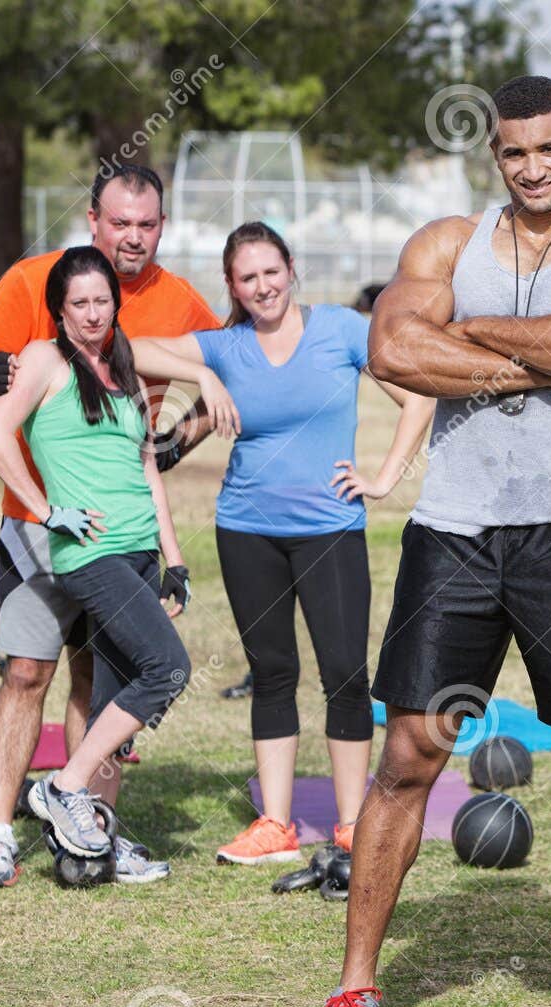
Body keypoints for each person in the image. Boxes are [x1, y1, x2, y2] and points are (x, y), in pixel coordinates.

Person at [299, 76, 551, 1007]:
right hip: (455, 529)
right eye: (513, 153)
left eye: (547, 149)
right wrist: (543, 359)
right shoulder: (442, 244)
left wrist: (463, 339)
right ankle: (353, 991)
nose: (531, 168)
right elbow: (391, 344)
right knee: (406, 761)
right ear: (495, 157)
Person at [0, 164, 231, 889]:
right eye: (120, 223)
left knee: (100, 684)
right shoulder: (44, 282)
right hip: (42, 527)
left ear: (160, 226)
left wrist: (177, 441)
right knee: (27, 670)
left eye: (147, 224)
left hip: (126, 528)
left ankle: (93, 830)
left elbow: (224, 373)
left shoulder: (175, 302)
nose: (133, 236)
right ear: (93, 221)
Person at [132, 222, 433, 867]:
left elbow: (417, 401)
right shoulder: (226, 347)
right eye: (247, 278)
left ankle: (353, 826)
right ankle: (275, 823)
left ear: (291, 268)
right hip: (246, 530)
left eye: (271, 272)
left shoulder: (342, 331)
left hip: (330, 530)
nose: (262, 287)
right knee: (272, 674)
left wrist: (382, 477)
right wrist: (202, 377)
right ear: (233, 286)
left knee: (345, 676)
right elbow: (126, 347)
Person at [0, 247, 191, 873]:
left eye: (103, 301)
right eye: (80, 304)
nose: (94, 313)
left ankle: (99, 831)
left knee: (111, 697)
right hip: (89, 552)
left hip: (140, 550)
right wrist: (46, 512)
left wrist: (173, 559)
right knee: (167, 669)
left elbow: (145, 464)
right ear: (60, 311)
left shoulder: (122, 366)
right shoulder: (44, 359)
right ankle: (63, 786)